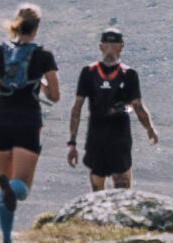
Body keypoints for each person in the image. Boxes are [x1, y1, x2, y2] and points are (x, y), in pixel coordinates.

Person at [0, 3, 60, 243]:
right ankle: (11, 190)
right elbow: (54, 96)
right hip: (27, 121)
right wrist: (43, 83)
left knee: (7, 188)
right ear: (36, 29)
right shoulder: (43, 55)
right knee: (21, 188)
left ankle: (5, 241)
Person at [67, 28, 158, 191]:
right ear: (121, 47)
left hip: (98, 136)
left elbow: (76, 109)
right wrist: (150, 129)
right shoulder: (127, 74)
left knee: (98, 191)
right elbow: (138, 107)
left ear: (100, 46)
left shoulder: (90, 73)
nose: (109, 49)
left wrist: (72, 142)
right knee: (122, 188)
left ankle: (99, 216)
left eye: (111, 45)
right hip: (117, 136)